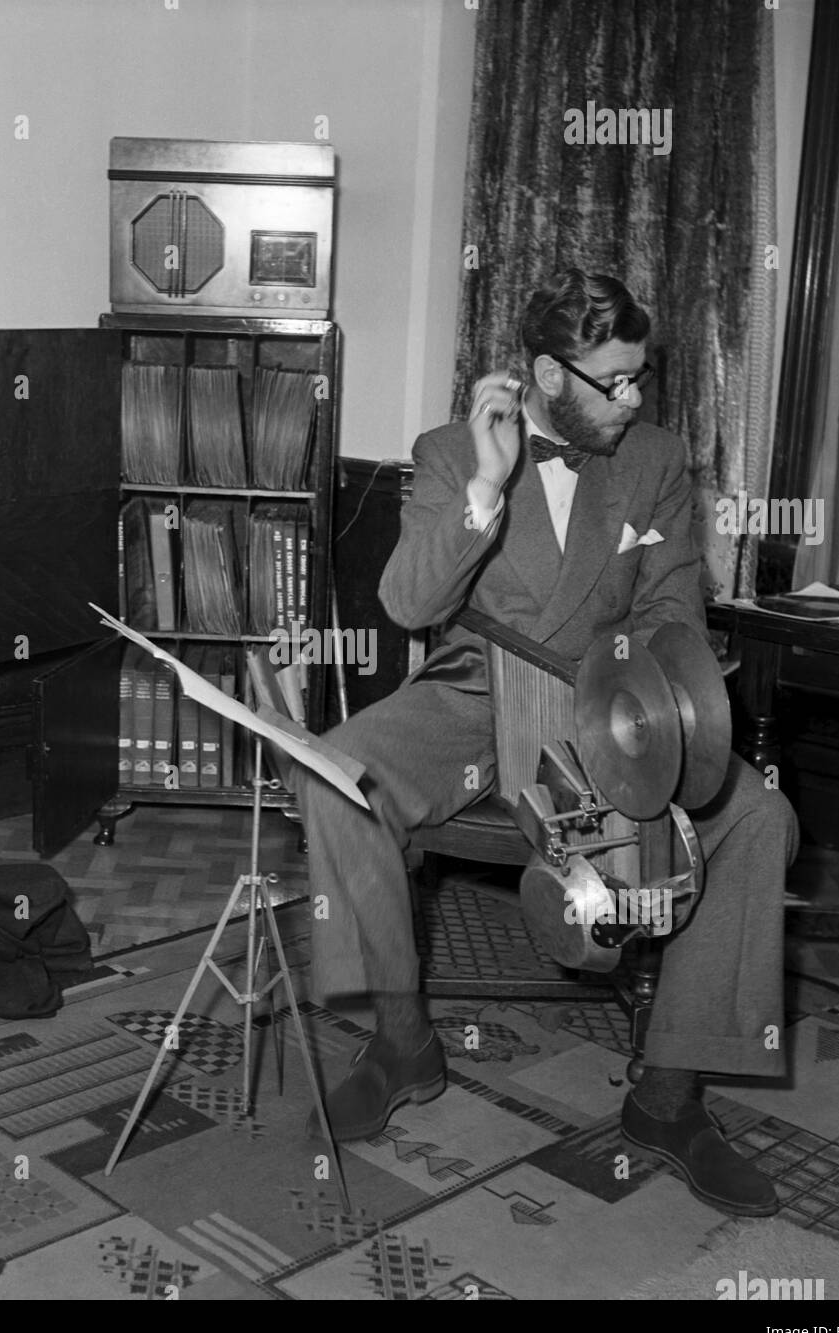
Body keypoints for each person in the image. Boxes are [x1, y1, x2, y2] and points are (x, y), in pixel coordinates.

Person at [296, 267, 799, 1218]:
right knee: (333, 778)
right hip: (471, 703)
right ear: (547, 374)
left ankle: (668, 1098)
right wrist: (486, 489)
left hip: (613, 706)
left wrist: (634, 709)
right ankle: (402, 1042)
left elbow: (672, 615)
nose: (635, 398)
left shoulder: (652, 458)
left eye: (640, 375)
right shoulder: (451, 451)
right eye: (614, 381)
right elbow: (409, 604)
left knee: (759, 817)